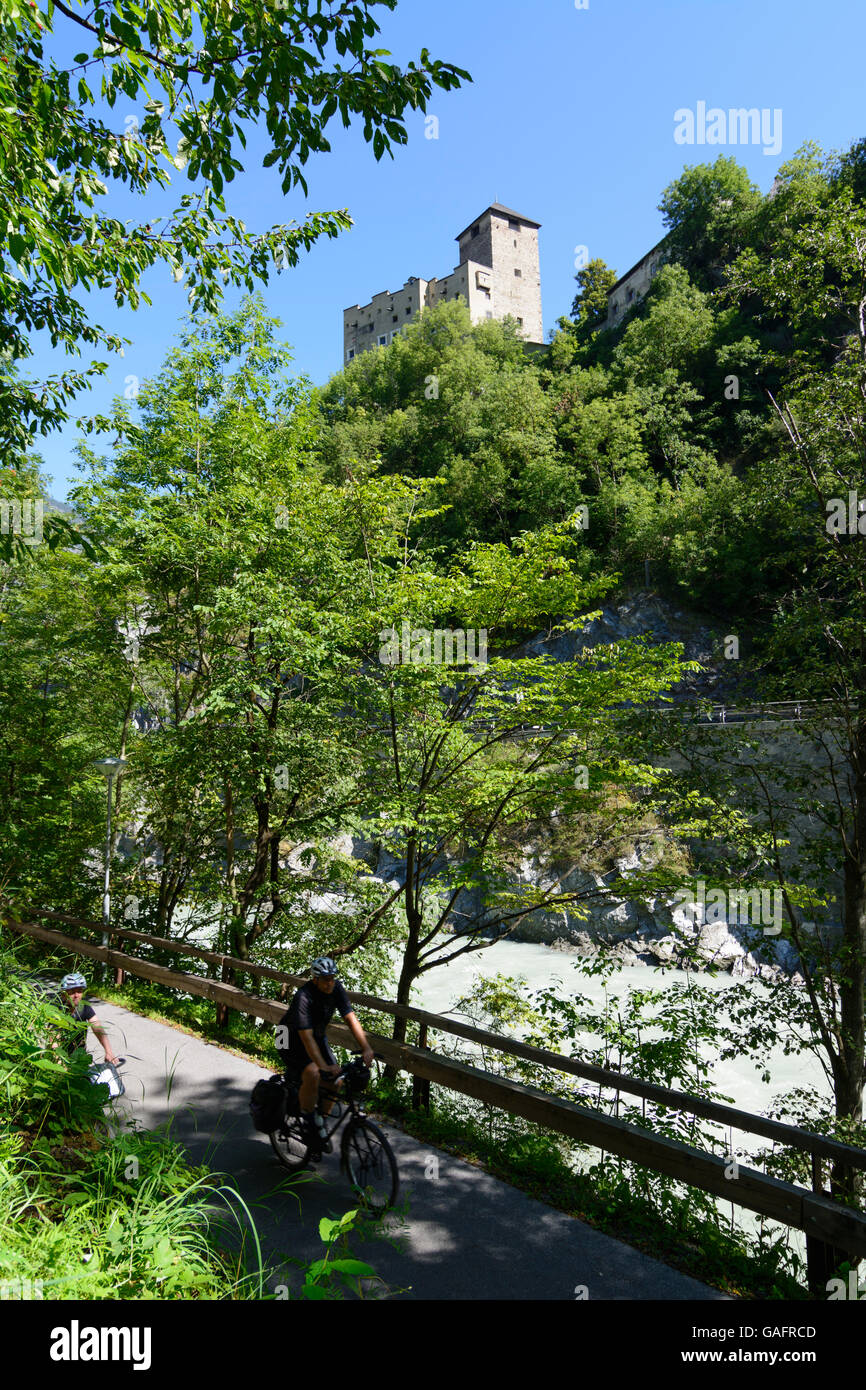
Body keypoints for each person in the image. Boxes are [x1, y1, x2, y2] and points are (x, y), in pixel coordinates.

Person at [276, 956, 374, 1149]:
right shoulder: (303, 996)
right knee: (313, 1072)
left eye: (332, 978)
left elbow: (350, 1018)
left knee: (336, 1080)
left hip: (316, 1035)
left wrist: (366, 1047)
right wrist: (322, 1066)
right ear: (315, 979)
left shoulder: (336, 989)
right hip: (288, 1037)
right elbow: (306, 1038)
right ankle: (307, 1119)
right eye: (325, 979)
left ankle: (319, 1121)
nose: (330, 982)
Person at [55, 972, 119, 1065]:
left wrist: (108, 1052)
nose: (76, 995)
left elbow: (97, 1027)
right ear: (63, 994)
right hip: (60, 1057)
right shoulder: (57, 1010)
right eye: (72, 992)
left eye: (79, 991)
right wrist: (59, 1062)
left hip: (79, 1056)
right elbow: (53, 1039)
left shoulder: (84, 1007)